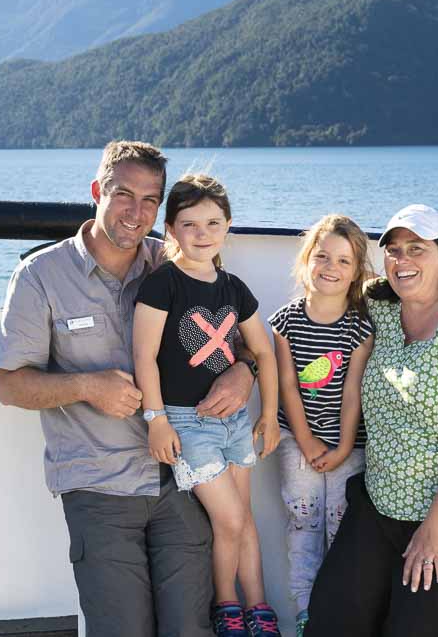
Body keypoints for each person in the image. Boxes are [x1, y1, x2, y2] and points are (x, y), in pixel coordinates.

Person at [0, 142, 255, 637]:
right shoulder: (40, 276)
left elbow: (238, 342)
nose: (137, 212)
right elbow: (10, 384)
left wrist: (243, 372)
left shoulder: (174, 264)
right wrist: (87, 386)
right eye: (123, 195)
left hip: (180, 480)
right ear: (97, 192)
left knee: (191, 629)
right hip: (99, 489)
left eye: (151, 200)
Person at [305, 204, 438, 637]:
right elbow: (309, 313)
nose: (402, 261)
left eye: (416, 249)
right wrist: (246, 364)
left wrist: (435, 529)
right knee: (330, 618)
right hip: (377, 504)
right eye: (394, 250)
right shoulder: (381, 307)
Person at [133, 173, 282, 637]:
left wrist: (268, 414)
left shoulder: (233, 289)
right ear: (171, 229)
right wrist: (156, 420)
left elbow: (263, 352)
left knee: (246, 519)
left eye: (213, 223)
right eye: (190, 224)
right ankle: (226, 606)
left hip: (236, 422)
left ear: (228, 226)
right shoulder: (163, 286)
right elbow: (144, 357)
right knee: (230, 519)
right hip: (187, 422)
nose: (202, 234)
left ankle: (258, 607)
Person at [268, 215, 376, 637]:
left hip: (349, 445)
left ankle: (336, 616)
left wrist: (344, 445)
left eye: (344, 261)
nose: (330, 267)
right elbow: (288, 387)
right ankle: (305, 616)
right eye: (322, 256)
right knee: (304, 526)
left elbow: (353, 393)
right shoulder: (286, 322)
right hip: (299, 443)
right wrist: (308, 441)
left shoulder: (360, 326)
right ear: (306, 259)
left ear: (355, 273)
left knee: (340, 527)